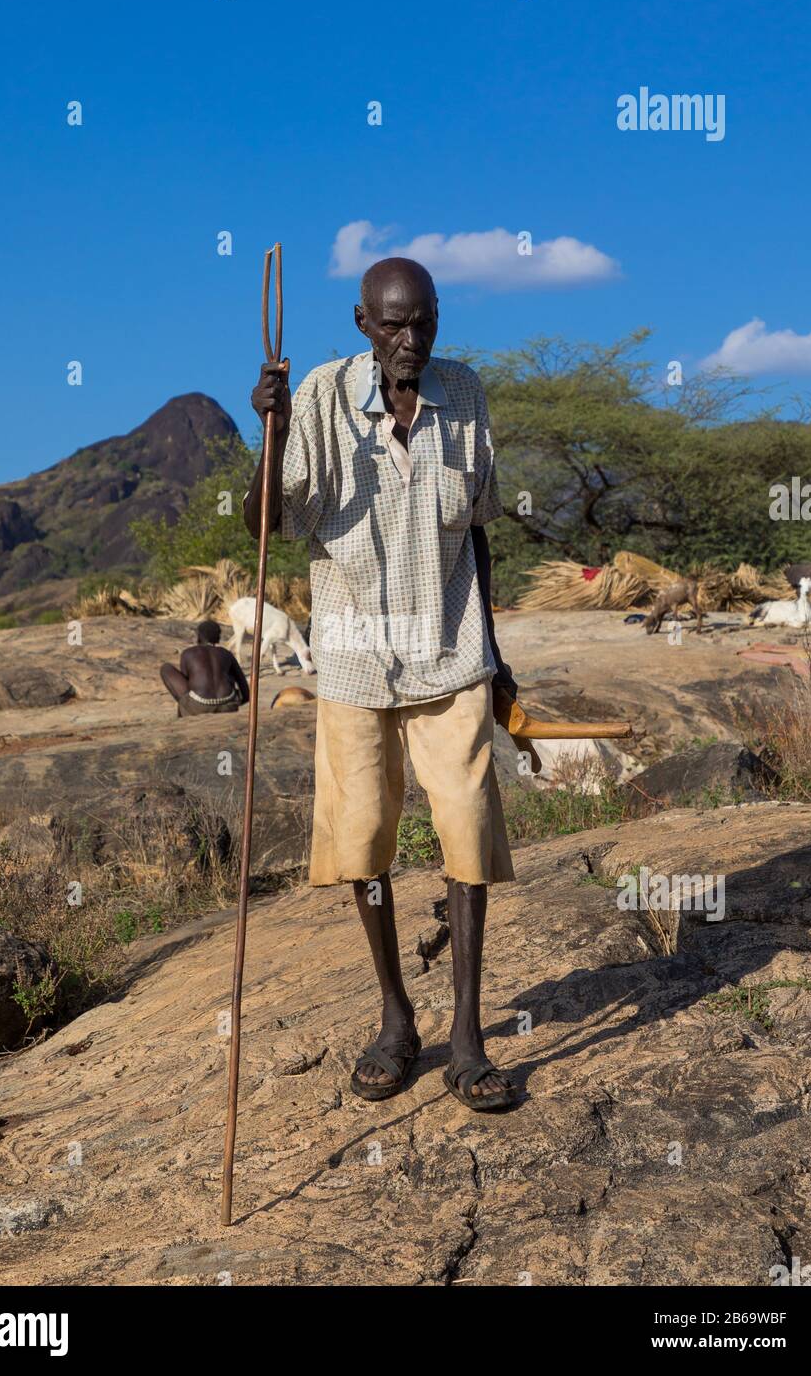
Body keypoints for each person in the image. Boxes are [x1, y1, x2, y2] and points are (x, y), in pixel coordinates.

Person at [244, 257, 521, 1111]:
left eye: (425, 323)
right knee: (363, 838)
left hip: (449, 655)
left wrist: (498, 654)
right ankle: (397, 1019)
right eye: (395, 326)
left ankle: (467, 1039)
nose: (411, 342)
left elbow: (473, 530)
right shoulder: (321, 396)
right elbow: (267, 524)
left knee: (467, 829)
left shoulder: (464, 393)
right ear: (363, 323)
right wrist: (274, 433)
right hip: (357, 663)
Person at [160, 620, 249, 717]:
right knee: (227, 676)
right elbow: (244, 689)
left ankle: (184, 712)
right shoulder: (226, 653)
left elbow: (187, 688)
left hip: (199, 705)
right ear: (218, 637)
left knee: (166, 668)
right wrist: (234, 703)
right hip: (227, 705)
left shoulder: (188, 653)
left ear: (199, 635)